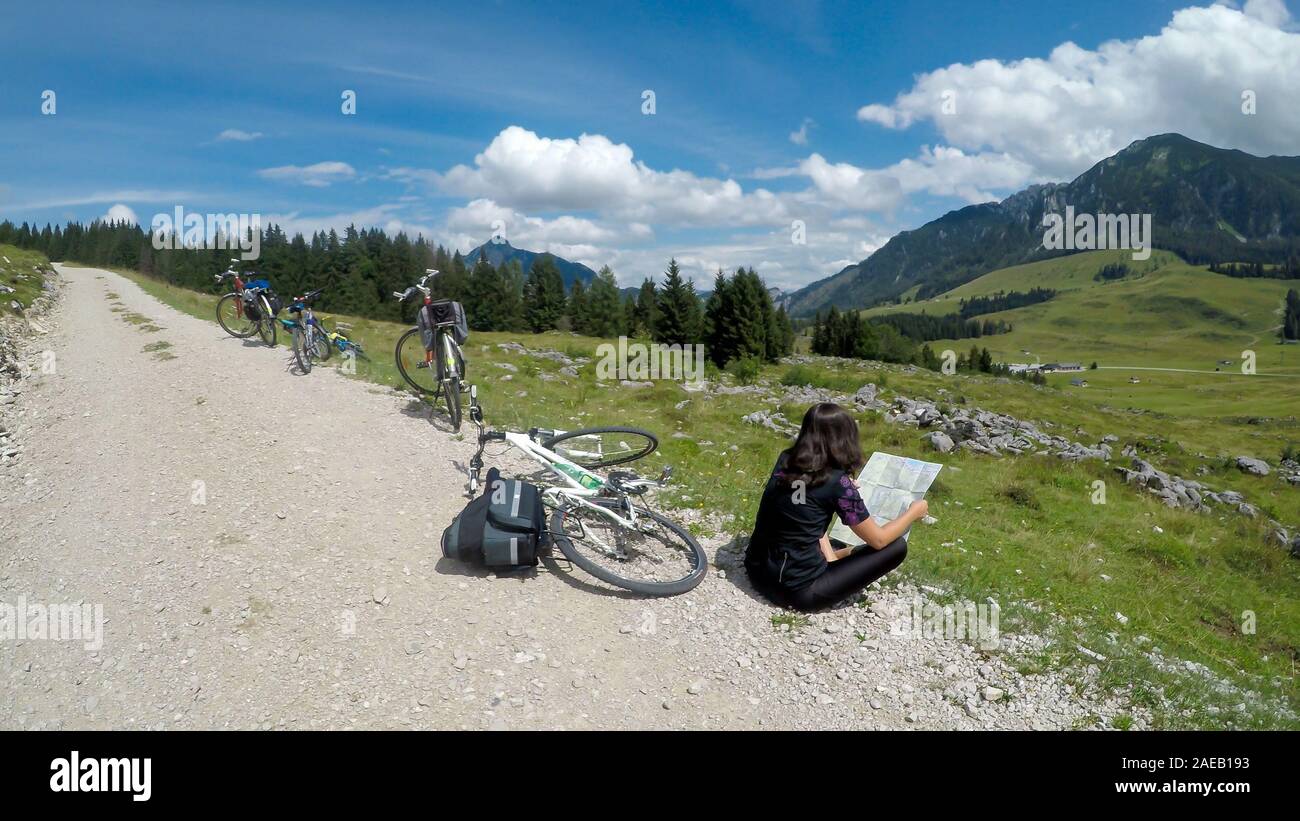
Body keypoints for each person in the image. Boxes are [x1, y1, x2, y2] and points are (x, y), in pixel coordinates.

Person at [744, 402, 928, 612]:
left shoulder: (786, 459)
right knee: (896, 547)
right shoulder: (836, 483)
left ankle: (833, 556)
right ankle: (836, 558)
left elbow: (802, 507)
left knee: (802, 516)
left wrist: (841, 490)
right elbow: (878, 540)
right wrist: (913, 512)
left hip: (757, 571)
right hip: (797, 592)